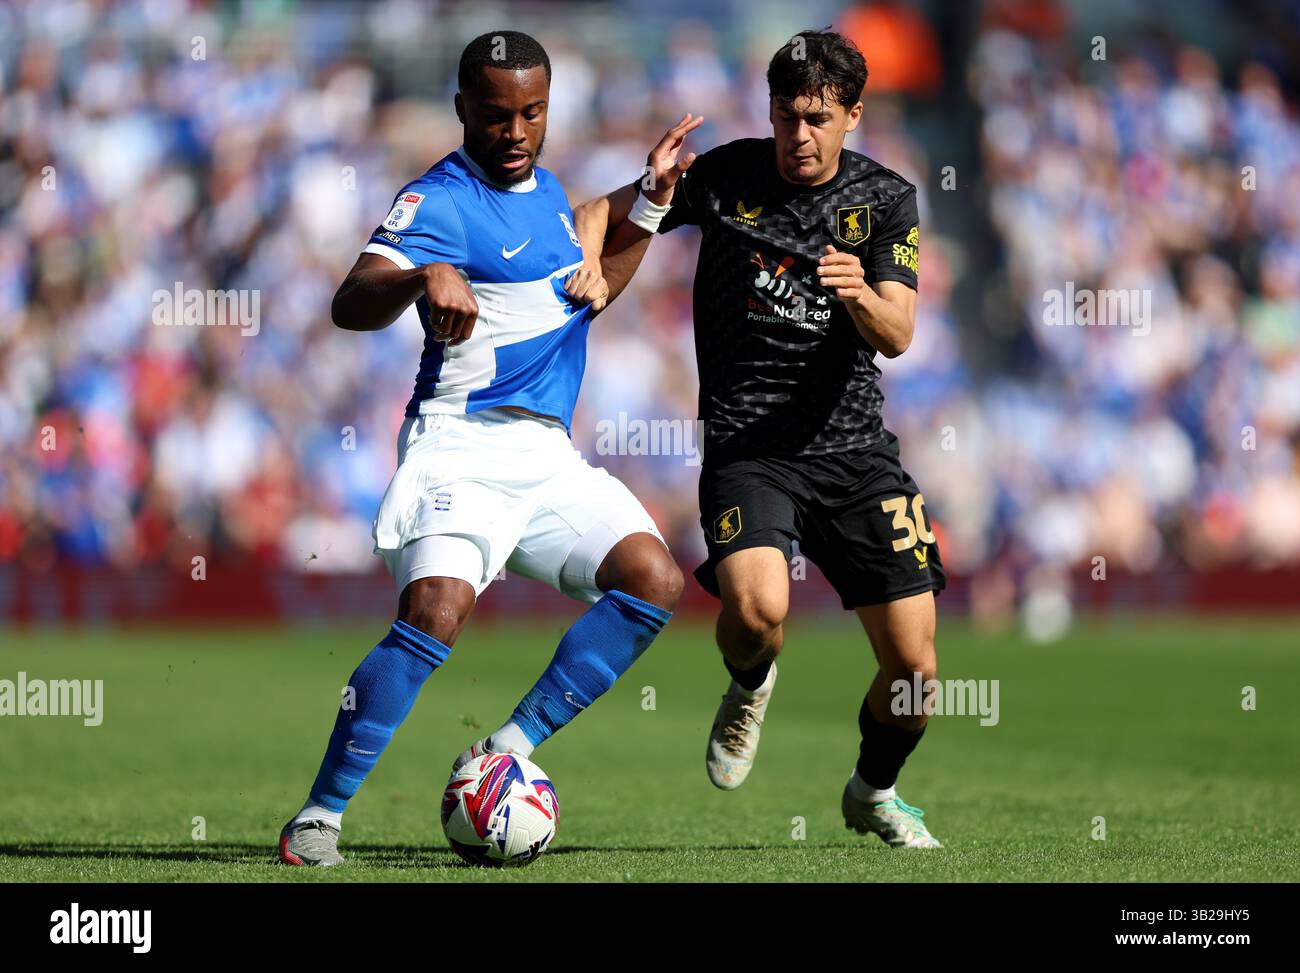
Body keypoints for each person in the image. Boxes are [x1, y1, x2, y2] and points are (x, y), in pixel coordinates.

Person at [278, 30, 697, 866]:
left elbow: (590, 289)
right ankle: (318, 816)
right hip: (459, 443)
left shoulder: (547, 192)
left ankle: (504, 749)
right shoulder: (438, 200)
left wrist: (649, 201)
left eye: (532, 113)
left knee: (653, 580)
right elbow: (349, 301)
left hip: (544, 455)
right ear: (463, 108)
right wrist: (417, 279)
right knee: (435, 611)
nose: (515, 131)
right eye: (498, 114)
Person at [582, 29, 945, 848]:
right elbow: (603, 219)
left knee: (918, 673)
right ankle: (750, 684)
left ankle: (873, 790)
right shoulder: (724, 177)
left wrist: (857, 293)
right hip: (751, 448)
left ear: (853, 114)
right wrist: (643, 192)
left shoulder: (885, 200)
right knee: (755, 610)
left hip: (855, 455)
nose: (798, 136)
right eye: (785, 116)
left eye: (817, 118)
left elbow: (898, 333)